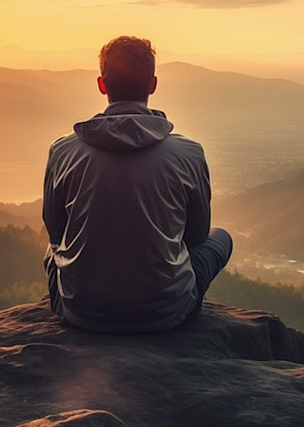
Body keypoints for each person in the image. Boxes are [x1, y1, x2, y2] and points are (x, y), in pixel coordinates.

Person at [42, 35, 233, 332]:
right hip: (166, 312)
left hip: (80, 310)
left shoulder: (63, 151)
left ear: (102, 85)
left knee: (51, 249)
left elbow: (56, 232)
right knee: (221, 238)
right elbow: (196, 237)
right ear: (152, 84)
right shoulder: (189, 153)